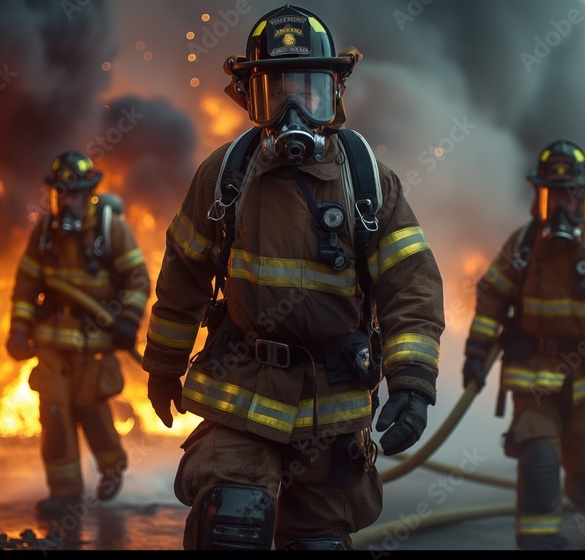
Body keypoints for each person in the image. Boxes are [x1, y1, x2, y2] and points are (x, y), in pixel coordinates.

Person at [141, 4, 445, 551]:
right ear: (250, 99)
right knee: (232, 523)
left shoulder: (367, 180)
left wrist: (413, 382)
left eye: (309, 90)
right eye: (275, 92)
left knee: (319, 542)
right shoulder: (225, 175)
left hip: (333, 404)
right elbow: (182, 278)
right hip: (241, 393)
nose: (293, 110)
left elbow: (412, 289)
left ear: (335, 95)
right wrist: (163, 367)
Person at [460, 139, 585, 550]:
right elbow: (492, 296)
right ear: (538, 196)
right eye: (553, 194)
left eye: (572, 194)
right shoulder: (524, 244)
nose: (563, 204)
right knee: (540, 468)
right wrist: (476, 353)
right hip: (536, 388)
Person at [5, 150, 151, 516]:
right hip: (52, 346)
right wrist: (20, 331)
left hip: (95, 345)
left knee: (91, 411)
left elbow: (137, 280)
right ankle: (65, 493)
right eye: (59, 194)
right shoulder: (44, 234)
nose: (64, 201)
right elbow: (25, 286)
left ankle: (112, 467)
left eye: (71, 194)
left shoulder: (109, 228)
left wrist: (128, 322)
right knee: (54, 414)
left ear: (87, 193)